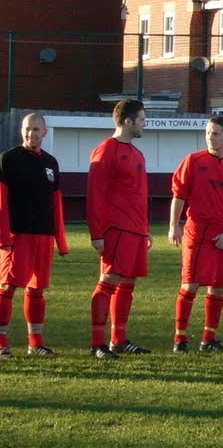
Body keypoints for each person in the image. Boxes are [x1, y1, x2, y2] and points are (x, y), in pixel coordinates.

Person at [168, 116, 223, 352]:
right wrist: (174, 225)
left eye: (215, 133)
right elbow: (179, 194)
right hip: (198, 232)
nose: (210, 137)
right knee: (190, 284)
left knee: (218, 285)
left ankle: (208, 339)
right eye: (207, 133)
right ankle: (180, 339)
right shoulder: (193, 161)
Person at [87, 99, 152, 359]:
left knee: (128, 286)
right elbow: (95, 195)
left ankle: (119, 339)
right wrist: (97, 233)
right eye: (142, 119)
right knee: (108, 283)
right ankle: (97, 344)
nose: (144, 124)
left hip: (136, 230)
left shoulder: (137, 153)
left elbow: (139, 195)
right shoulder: (106, 150)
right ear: (128, 121)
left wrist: (145, 229)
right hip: (116, 229)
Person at [0, 112, 69, 356]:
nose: (31, 134)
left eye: (36, 129)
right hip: (17, 235)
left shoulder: (51, 163)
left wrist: (60, 240)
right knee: (7, 288)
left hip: (44, 236)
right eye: (27, 129)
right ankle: (1, 344)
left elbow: (56, 203)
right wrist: (4, 236)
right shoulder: (8, 160)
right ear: (22, 131)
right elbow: (1, 200)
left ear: (44, 132)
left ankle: (35, 343)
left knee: (37, 289)